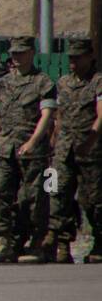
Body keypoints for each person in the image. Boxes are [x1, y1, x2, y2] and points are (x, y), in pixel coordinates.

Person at [0, 35, 57, 263]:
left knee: (32, 197)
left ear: (31, 53)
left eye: (20, 53)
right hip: (5, 147)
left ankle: (35, 242)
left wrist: (33, 141)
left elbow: (47, 116)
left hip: (31, 148)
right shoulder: (3, 83)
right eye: (13, 53)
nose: (16, 57)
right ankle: (4, 240)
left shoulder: (43, 82)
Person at [47, 37, 101, 263]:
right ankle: (61, 243)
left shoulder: (97, 82)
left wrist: (91, 138)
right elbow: (59, 115)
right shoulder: (63, 83)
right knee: (58, 194)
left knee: (93, 199)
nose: (73, 62)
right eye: (70, 58)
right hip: (64, 149)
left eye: (77, 58)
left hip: (90, 150)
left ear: (90, 57)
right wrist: (54, 138)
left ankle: (99, 241)